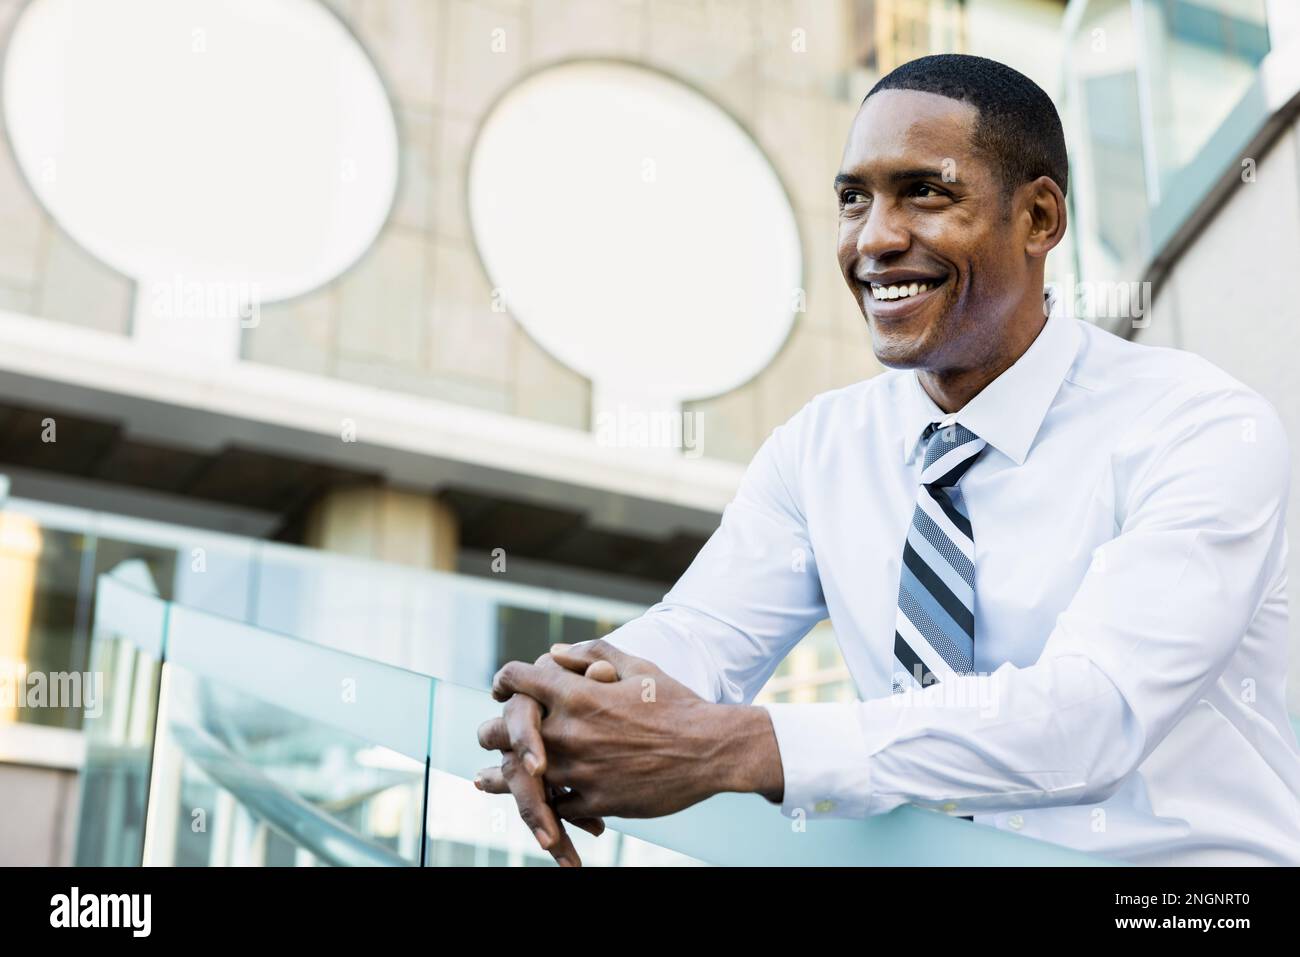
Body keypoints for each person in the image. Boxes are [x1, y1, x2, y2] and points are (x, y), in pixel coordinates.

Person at [475, 53, 1300, 867]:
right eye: (852, 199)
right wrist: (572, 696)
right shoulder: (821, 447)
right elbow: (703, 633)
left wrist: (743, 746)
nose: (875, 239)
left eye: (926, 193)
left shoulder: (1201, 428)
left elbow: (1091, 716)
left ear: (1040, 220)